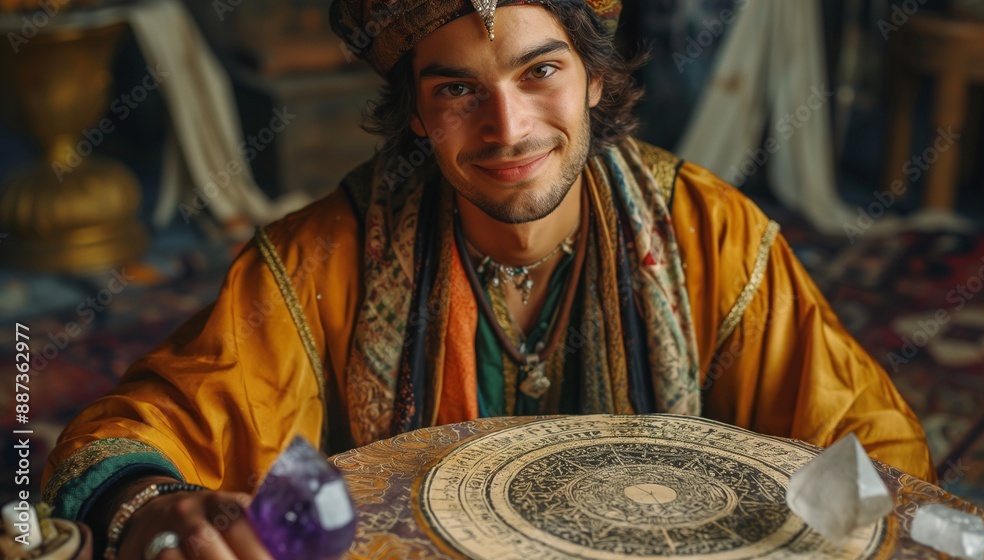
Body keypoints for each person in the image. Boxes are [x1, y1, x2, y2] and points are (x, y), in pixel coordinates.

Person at [41, 0, 936, 558]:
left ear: (593, 79)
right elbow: (132, 436)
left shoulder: (709, 234)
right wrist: (155, 510)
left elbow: (868, 449)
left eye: (540, 71)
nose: (507, 127)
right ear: (417, 115)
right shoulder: (326, 258)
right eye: (458, 91)